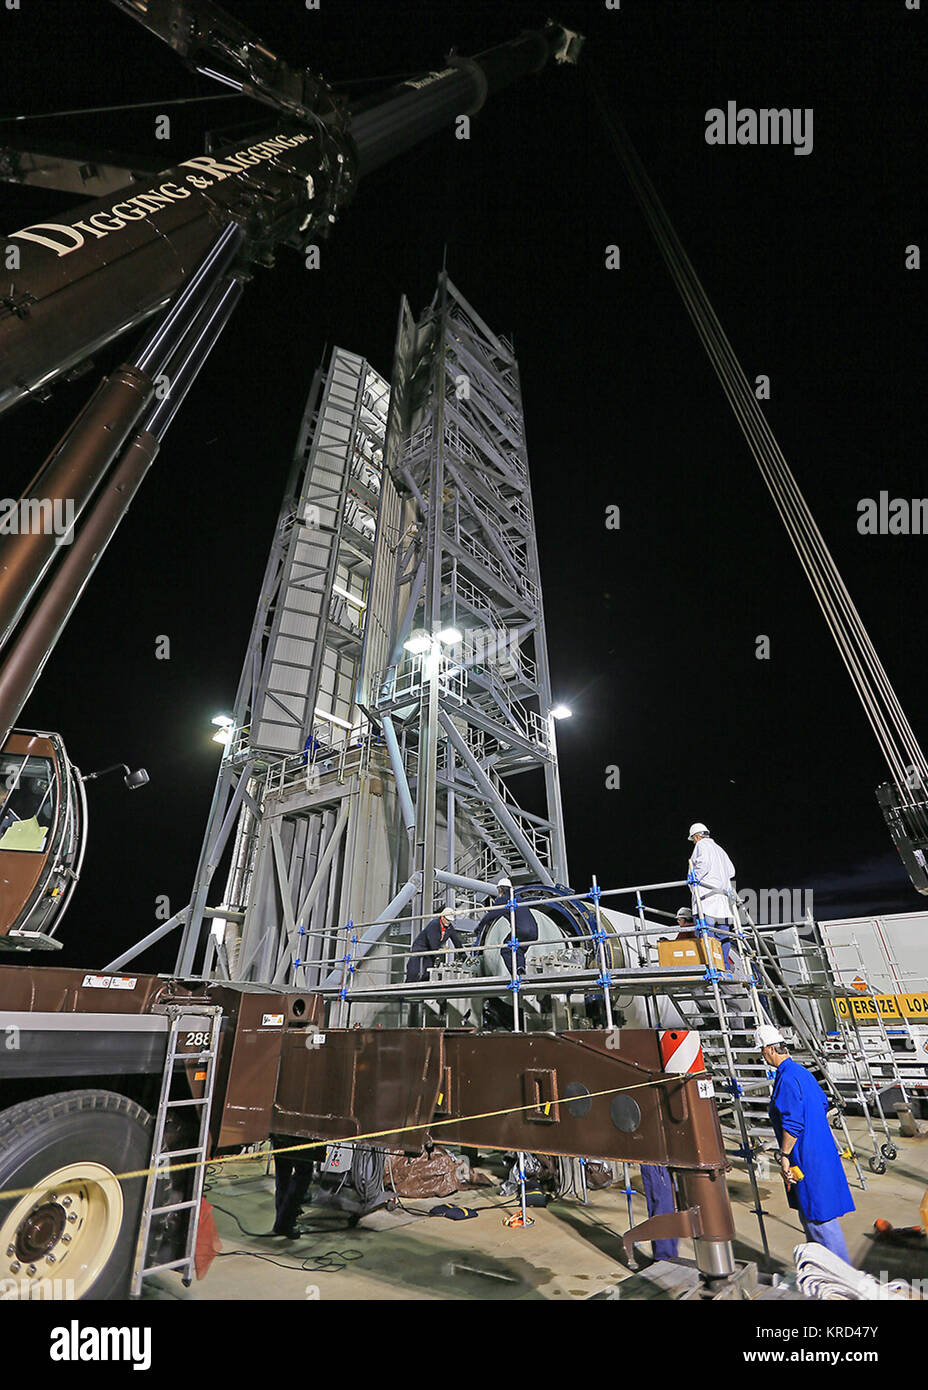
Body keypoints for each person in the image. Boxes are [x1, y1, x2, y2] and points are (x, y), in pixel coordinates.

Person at [758, 1025, 855, 1262]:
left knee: (819, 1219)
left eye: (762, 1051)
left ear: (770, 1049)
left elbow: (792, 1123)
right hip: (821, 1151)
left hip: (806, 1157)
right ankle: (828, 1274)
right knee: (817, 1215)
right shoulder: (801, 1073)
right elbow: (822, 1104)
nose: (762, 1056)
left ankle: (841, 1281)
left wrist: (784, 1155)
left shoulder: (787, 1079)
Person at [687, 823, 736, 967]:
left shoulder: (702, 846)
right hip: (722, 903)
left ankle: (712, 966)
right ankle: (724, 966)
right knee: (723, 937)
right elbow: (732, 871)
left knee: (707, 936)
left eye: (694, 839)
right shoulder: (720, 849)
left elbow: (703, 864)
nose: (694, 842)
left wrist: (693, 880)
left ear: (696, 836)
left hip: (706, 900)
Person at [477, 878, 538, 977]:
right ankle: (520, 969)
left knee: (506, 949)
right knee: (519, 950)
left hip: (522, 930)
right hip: (534, 932)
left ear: (500, 890)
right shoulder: (519, 898)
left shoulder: (504, 899)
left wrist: (479, 927)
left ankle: (515, 975)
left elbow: (491, 915)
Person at [270, 1136, 317, 1238]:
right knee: (303, 1175)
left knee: (283, 1174)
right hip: (300, 1136)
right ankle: (284, 1223)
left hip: (279, 1133)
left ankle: (282, 1220)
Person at [405, 906, 464, 984]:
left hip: (431, 951)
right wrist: (437, 955)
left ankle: (423, 989)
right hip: (420, 949)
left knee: (428, 973)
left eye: (450, 920)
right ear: (442, 917)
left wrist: (463, 954)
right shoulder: (434, 924)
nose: (448, 922)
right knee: (414, 972)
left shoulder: (449, 928)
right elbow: (433, 941)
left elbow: (456, 941)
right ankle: (405, 992)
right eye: (447, 919)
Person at [641, 1164, 678, 1261]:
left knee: (666, 1205)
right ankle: (664, 1257)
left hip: (660, 1162)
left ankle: (668, 1256)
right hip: (654, 1161)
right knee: (660, 1206)